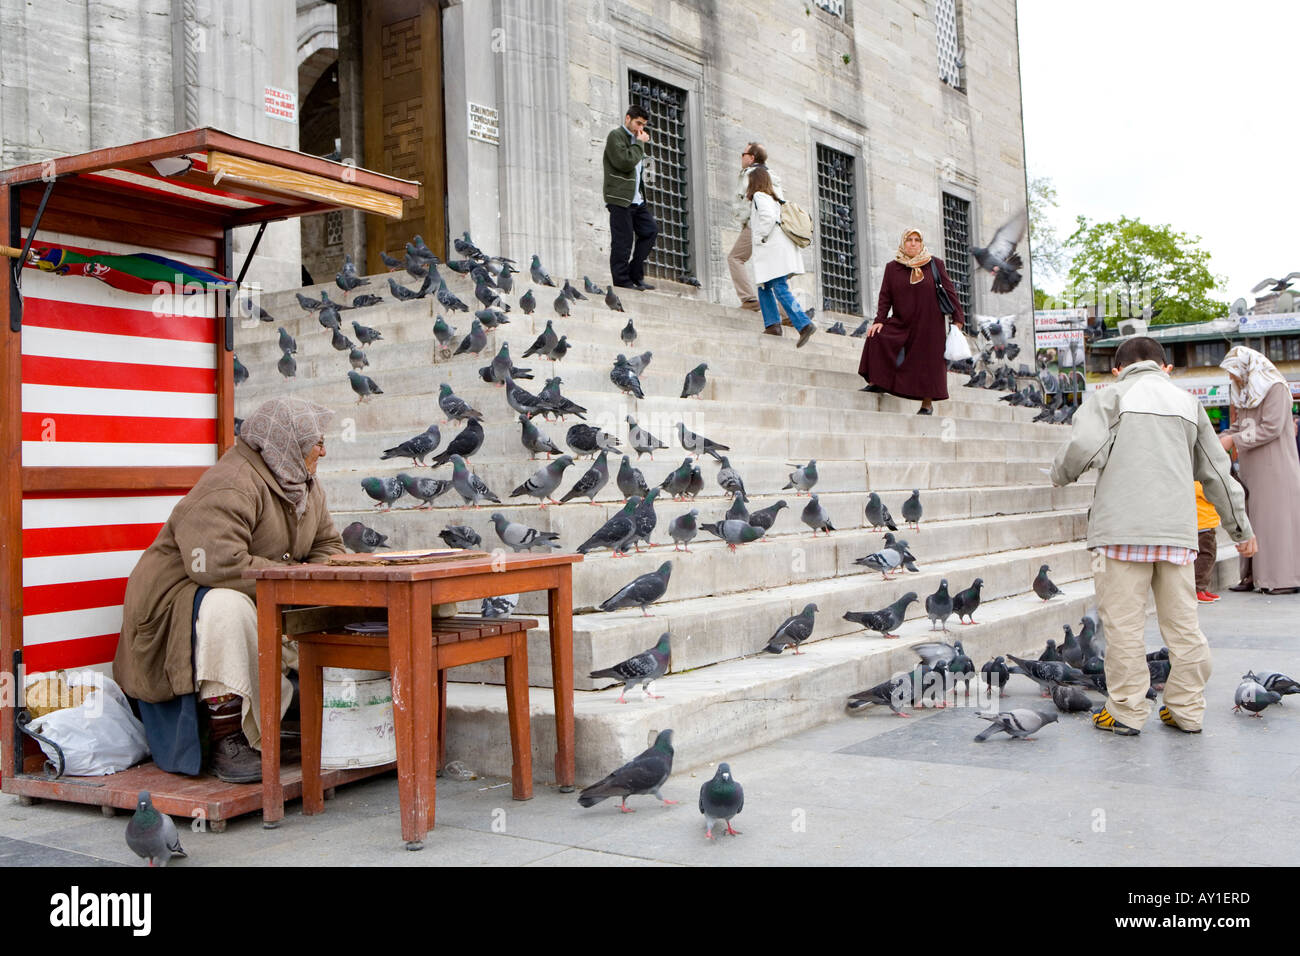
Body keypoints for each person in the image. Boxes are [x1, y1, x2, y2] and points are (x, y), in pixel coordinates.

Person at [114, 397, 344, 783]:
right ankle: (227, 737)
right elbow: (216, 564)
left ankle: (308, 716)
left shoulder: (304, 486)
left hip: (250, 593)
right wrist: (293, 577)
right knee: (227, 606)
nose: (323, 449)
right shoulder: (230, 483)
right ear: (284, 441)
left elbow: (330, 549)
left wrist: (303, 580)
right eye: (314, 440)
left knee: (334, 596)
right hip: (175, 608)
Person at [1051, 336, 1255, 736]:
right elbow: (1217, 470)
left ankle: (1126, 712)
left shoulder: (1110, 398)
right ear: (1166, 368)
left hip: (1119, 534)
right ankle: (1187, 709)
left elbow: (1081, 448)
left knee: (1123, 626)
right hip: (1178, 534)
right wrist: (1241, 528)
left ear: (1117, 370)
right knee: (1183, 627)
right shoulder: (1187, 404)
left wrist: (1060, 475)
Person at [1218, 346, 1300, 594]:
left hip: (1275, 467)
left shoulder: (1275, 387)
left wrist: (1234, 440)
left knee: (1273, 522)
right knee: (1252, 519)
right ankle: (1253, 576)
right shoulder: (1248, 392)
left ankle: (1281, 579)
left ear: (1247, 368)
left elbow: (1271, 428)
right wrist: (1222, 436)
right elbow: (1241, 424)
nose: (1232, 377)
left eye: (1234, 371)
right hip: (1252, 467)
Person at [858, 228, 964, 415]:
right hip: (902, 321)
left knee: (929, 361)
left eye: (917, 240)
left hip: (930, 323)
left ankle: (927, 403)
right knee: (877, 336)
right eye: (909, 240)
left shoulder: (935, 264)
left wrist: (958, 320)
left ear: (921, 243)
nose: (913, 243)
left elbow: (949, 292)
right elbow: (885, 296)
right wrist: (879, 320)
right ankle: (877, 382)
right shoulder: (892, 268)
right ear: (903, 243)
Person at [746, 166, 816, 347]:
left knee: (779, 287)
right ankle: (773, 325)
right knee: (764, 287)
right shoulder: (773, 198)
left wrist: (760, 237)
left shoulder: (760, 197)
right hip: (777, 251)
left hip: (772, 251)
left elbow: (768, 220)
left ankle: (803, 324)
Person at [603, 105, 658, 291]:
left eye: (643, 125)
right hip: (619, 198)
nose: (640, 128)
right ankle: (622, 280)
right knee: (623, 241)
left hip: (636, 199)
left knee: (650, 231)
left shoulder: (636, 140)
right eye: (637, 123)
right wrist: (640, 144)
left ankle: (636, 274)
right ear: (628, 118)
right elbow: (624, 162)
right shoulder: (615, 136)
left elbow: (639, 169)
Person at [729, 142, 783, 311]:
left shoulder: (751, 174)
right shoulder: (771, 175)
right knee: (773, 271)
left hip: (756, 225)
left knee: (735, 258)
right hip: (775, 227)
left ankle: (749, 299)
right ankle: (787, 314)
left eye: (743, 154)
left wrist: (743, 220)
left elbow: (747, 202)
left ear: (751, 158)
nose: (741, 157)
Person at [1192, 481, 1220, 603]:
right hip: (1204, 526)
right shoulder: (1199, 484)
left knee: (1206, 557)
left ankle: (1202, 588)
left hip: (1204, 524)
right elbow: (1214, 495)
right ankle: (1198, 589)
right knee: (1206, 557)